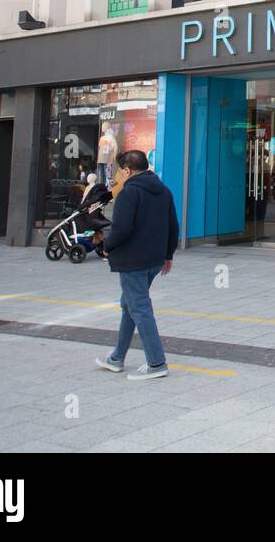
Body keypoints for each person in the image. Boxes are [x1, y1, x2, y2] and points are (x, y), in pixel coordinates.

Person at [95, 150, 178, 380]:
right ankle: (117, 358)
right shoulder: (164, 191)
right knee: (129, 305)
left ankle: (156, 362)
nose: (119, 175)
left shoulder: (128, 193)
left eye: (120, 170)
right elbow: (173, 225)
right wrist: (168, 254)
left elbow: (122, 230)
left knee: (140, 309)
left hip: (133, 261)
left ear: (127, 170)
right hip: (154, 260)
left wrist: (107, 246)